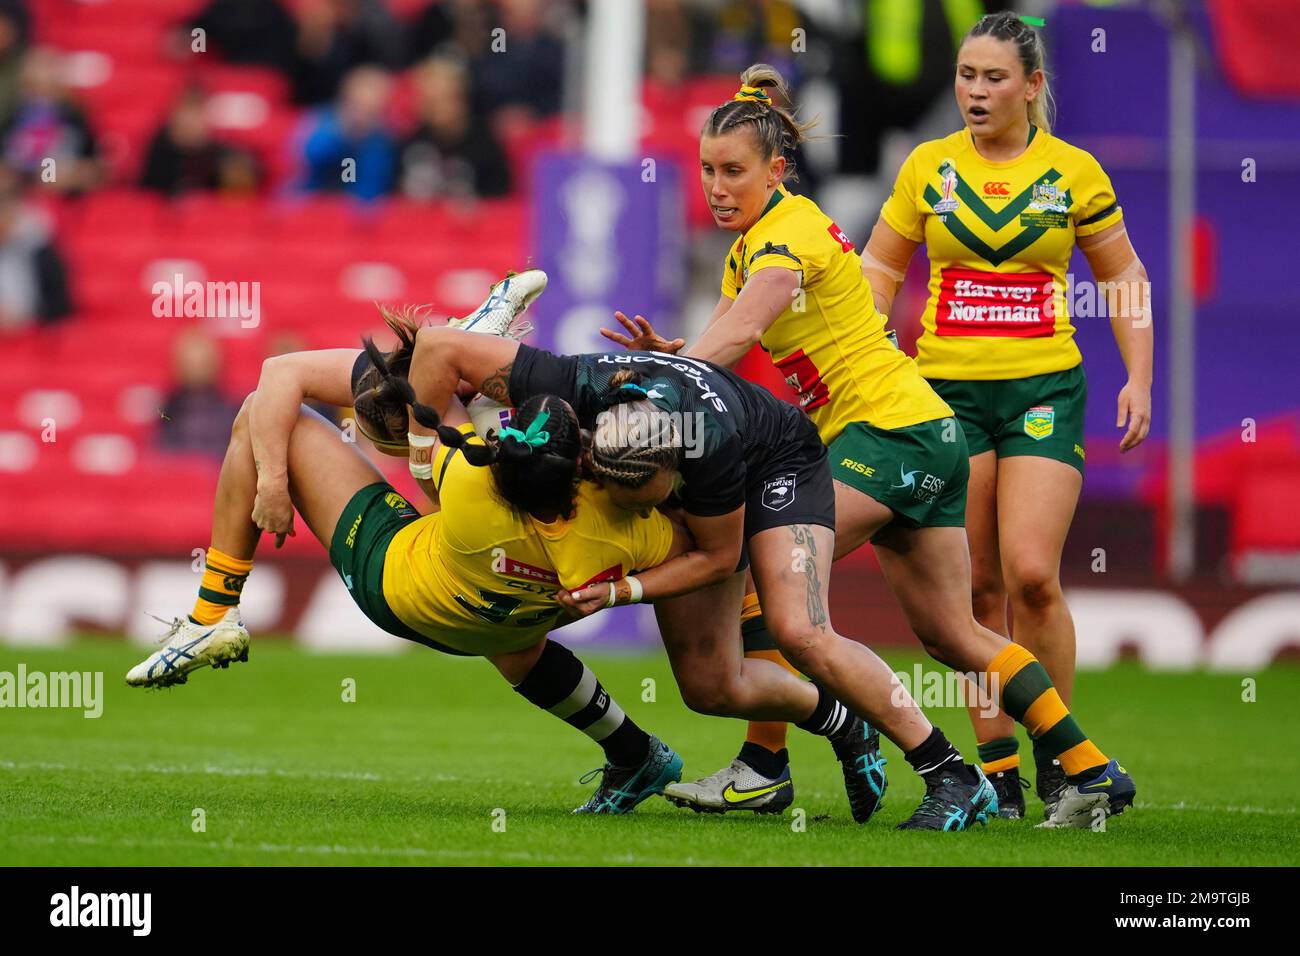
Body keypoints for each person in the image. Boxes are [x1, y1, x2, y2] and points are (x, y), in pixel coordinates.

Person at [603, 62, 1135, 829]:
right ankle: (1088, 767)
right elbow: (727, 332)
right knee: (954, 635)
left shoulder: (783, 235)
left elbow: (749, 326)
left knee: (767, 569)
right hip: (925, 433)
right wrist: (679, 350)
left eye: (733, 172)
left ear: (776, 170)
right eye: (707, 171)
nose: (716, 188)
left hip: (886, 435)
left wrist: (658, 376)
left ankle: (789, 767)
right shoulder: (749, 244)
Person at [404, 323, 1000, 831]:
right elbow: (434, 348)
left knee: (802, 630)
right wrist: (424, 476)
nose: (637, 512)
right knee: (710, 688)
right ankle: (844, 726)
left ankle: (951, 772)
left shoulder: (706, 456)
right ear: (588, 453)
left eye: (645, 500)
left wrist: (620, 591)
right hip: (688, 468)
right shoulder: (571, 385)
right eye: (620, 497)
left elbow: (717, 558)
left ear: (672, 468)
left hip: (778, 467)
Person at [126, 284, 689, 816]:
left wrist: (273, 482)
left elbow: (307, 375)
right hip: (505, 625)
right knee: (514, 629)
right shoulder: (620, 533)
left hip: (401, 589)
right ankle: (635, 753)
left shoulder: (471, 488)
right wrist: (656, 383)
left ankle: (213, 613)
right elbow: (699, 547)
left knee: (266, 412)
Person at [863, 12, 1153, 818]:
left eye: (993, 78)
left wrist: (1140, 378)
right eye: (965, 75)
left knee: (1031, 574)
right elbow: (880, 267)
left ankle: (1064, 764)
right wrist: (874, 343)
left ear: (1031, 86)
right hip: (945, 396)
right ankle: (997, 774)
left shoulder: (1074, 172)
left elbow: (1125, 277)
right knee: (976, 587)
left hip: (1042, 392)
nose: (975, 91)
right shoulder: (928, 166)